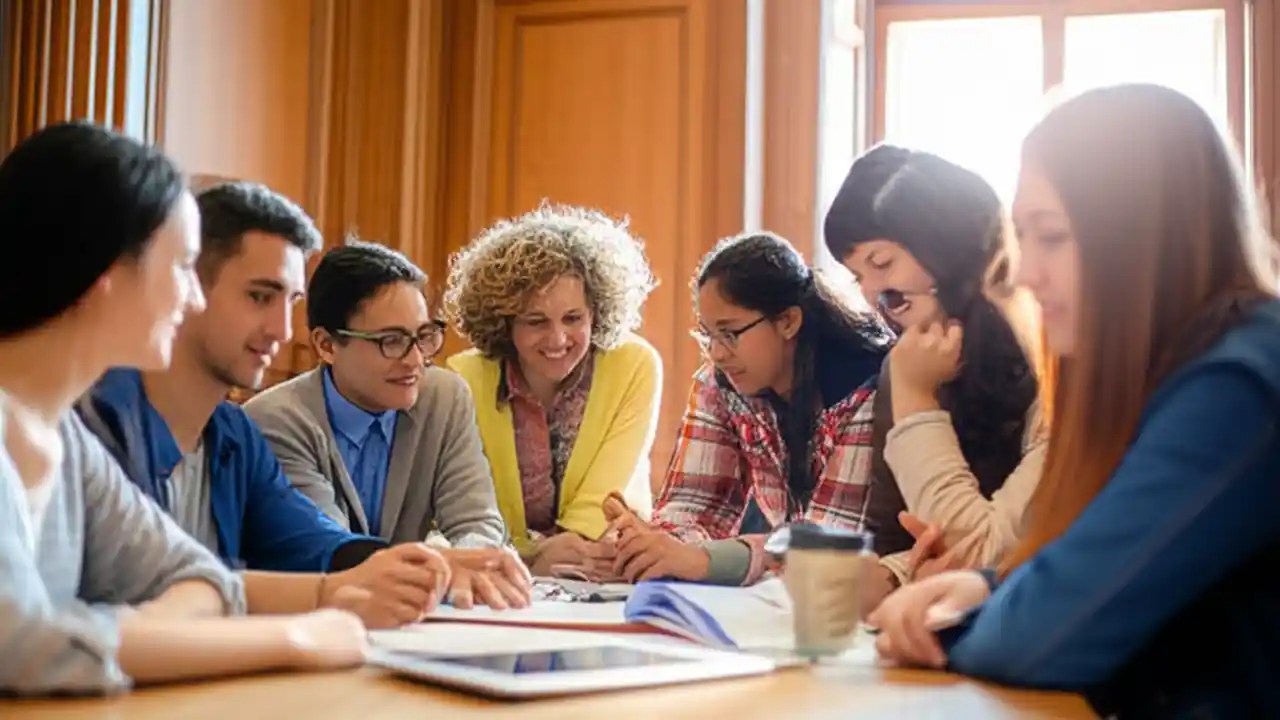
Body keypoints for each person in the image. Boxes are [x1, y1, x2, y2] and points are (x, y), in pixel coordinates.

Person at [870, 84, 1280, 718]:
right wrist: (986, 587)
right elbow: (1111, 570)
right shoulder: (1192, 368)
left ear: (1144, 237)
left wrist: (951, 622)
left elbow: (1044, 636)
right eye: (1023, 238)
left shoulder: (1237, 385)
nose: (1027, 273)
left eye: (1052, 237)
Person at [0, 122, 365, 694]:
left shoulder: (64, 437)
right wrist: (295, 638)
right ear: (107, 273)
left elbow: (203, 576)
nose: (192, 297)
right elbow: (21, 646)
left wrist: (124, 632)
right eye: (180, 267)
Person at [77, 181, 512, 621]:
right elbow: (142, 589)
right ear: (187, 287)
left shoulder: (233, 433)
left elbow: (313, 542)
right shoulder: (96, 423)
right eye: (260, 297)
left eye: (291, 301)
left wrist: (427, 566)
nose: (283, 331)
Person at [245, 241, 529, 608]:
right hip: (319, 616)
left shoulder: (443, 396)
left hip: (411, 617)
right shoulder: (276, 420)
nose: (415, 361)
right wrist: (444, 566)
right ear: (326, 345)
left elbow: (477, 520)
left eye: (424, 337)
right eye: (391, 341)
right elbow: (328, 552)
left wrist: (470, 562)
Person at [823, 145, 1043, 611]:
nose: (871, 293)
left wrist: (914, 396)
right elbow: (891, 533)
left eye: (881, 264)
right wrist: (894, 573)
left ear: (945, 246)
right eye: (855, 277)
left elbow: (983, 552)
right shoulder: (903, 363)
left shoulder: (1046, 354)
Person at [611, 232, 894, 585]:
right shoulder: (722, 382)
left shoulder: (867, 388)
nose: (716, 352)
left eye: (730, 333)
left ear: (788, 321)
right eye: (708, 334)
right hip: (783, 593)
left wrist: (701, 560)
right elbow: (693, 502)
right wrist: (653, 548)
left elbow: (826, 547)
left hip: (865, 596)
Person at [445, 204, 661, 579]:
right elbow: (461, 509)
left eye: (574, 319)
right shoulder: (462, 379)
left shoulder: (635, 365)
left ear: (597, 312)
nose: (558, 339)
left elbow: (602, 499)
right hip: (500, 571)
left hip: (606, 568)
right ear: (504, 323)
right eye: (536, 321)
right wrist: (527, 557)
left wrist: (567, 548)